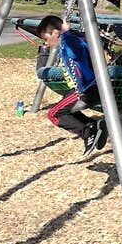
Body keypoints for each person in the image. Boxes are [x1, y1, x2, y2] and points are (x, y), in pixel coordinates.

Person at [34, 14, 108, 154]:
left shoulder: (70, 41)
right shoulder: (72, 41)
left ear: (56, 33)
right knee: (64, 111)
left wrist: (66, 33)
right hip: (88, 87)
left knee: (53, 114)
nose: (46, 43)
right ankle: (92, 126)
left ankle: (88, 132)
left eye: (46, 39)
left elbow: (74, 50)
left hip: (85, 89)